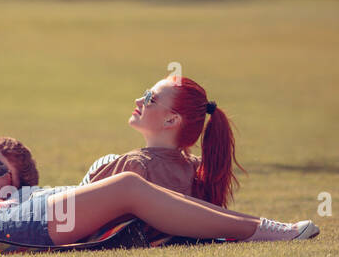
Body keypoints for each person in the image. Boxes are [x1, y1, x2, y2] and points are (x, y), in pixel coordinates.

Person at [0, 148, 319, 251]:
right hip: (4, 227)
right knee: (128, 190)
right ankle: (266, 230)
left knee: (131, 191)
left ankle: (254, 226)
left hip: (16, 211)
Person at [82, 74, 244, 207]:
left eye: (149, 99)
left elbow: (80, 207)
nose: (138, 101)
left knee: (107, 159)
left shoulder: (134, 166)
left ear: (171, 120)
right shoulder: (198, 171)